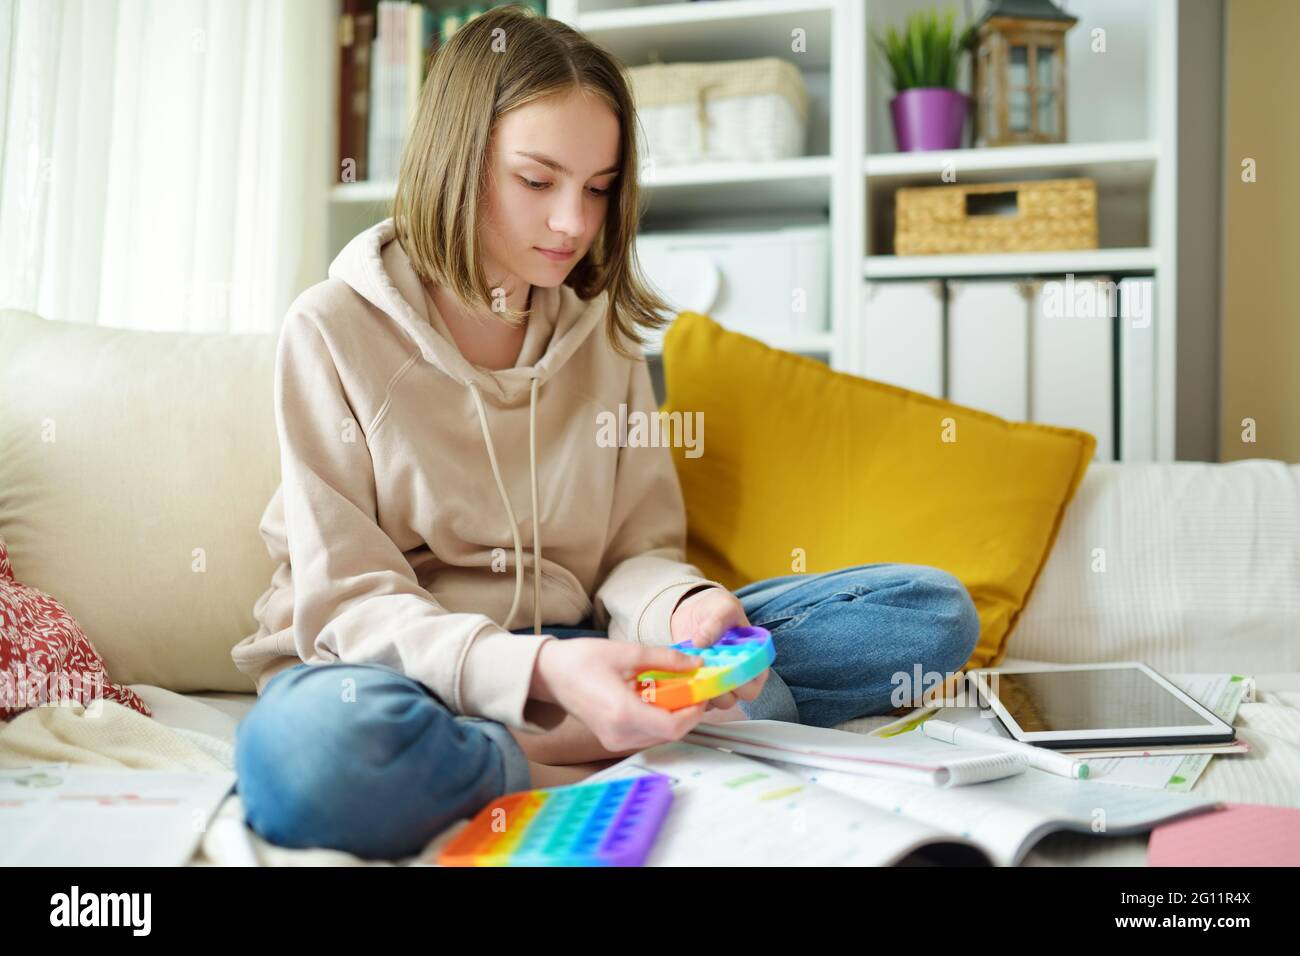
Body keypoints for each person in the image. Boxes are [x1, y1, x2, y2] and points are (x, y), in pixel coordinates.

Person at [231, 5, 980, 861]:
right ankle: (574, 740)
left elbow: (635, 548)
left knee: (924, 614)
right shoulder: (330, 329)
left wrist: (681, 606)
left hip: (585, 643)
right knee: (313, 761)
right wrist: (540, 679)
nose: (573, 225)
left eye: (597, 187)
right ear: (456, 158)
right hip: (400, 671)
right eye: (537, 180)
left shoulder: (602, 335)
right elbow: (349, 601)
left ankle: (608, 723)